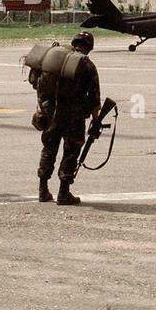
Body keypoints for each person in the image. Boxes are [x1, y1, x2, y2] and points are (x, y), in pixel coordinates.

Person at [35, 31, 101, 206]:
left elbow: (37, 83)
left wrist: (44, 107)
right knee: (71, 151)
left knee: (49, 148)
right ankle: (64, 192)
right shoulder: (87, 65)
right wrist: (96, 120)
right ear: (89, 47)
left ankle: (42, 190)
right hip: (73, 115)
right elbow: (94, 98)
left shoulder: (54, 59)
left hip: (50, 112)